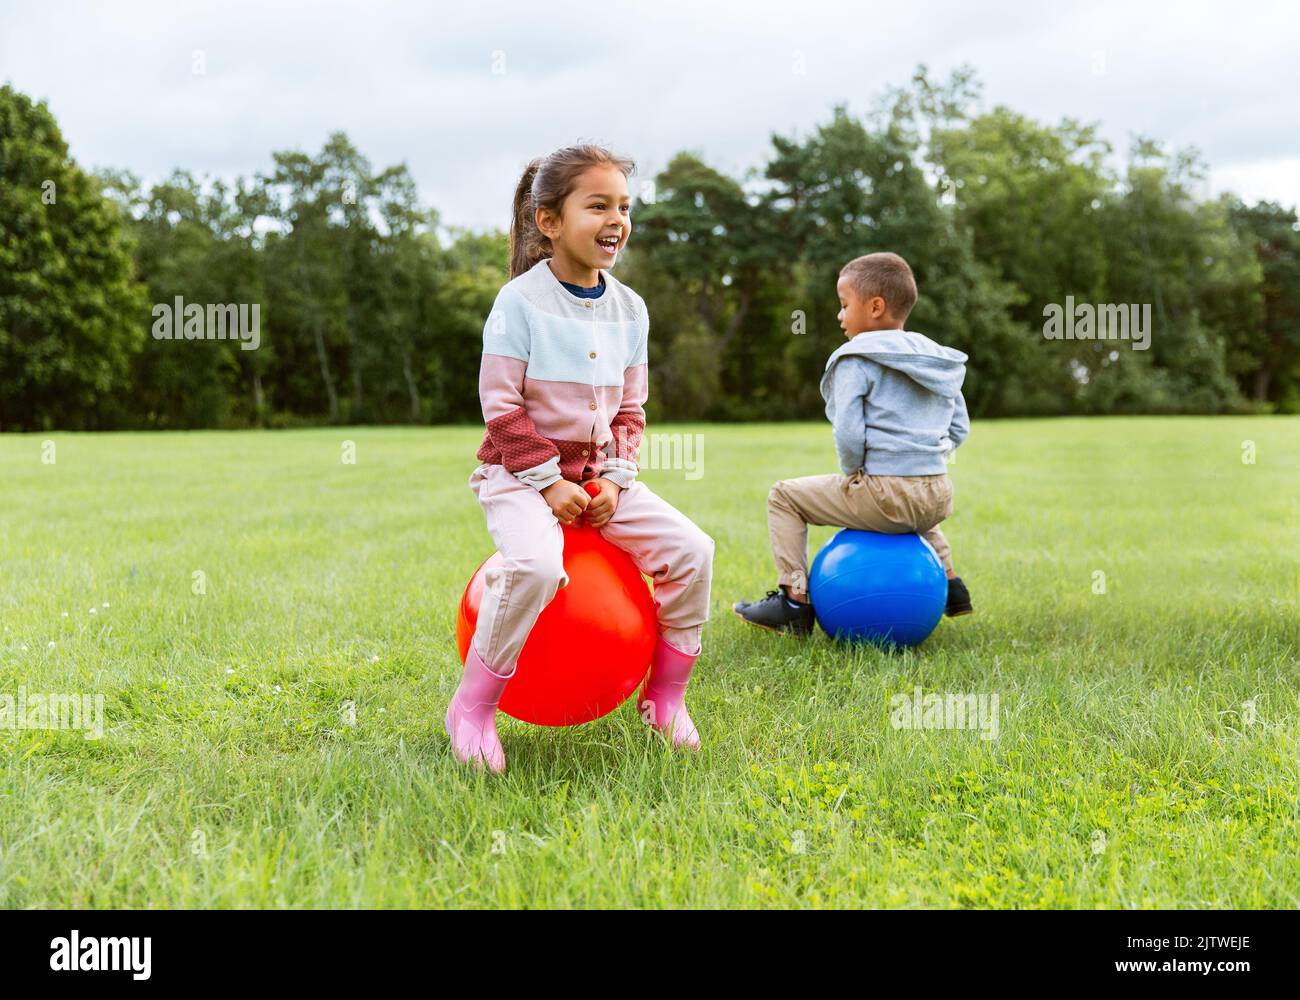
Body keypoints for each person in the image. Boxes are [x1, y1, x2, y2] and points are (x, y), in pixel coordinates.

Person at [445, 144, 715, 772]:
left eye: (623, 206)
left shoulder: (630, 309)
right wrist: (545, 484)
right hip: (517, 474)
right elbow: (500, 406)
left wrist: (617, 481)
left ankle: (666, 696)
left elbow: (630, 412)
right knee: (538, 566)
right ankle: (474, 707)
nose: (616, 218)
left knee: (693, 551)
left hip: (600, 480)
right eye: (598, 205)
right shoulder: (519, 302)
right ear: (550, 222)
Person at [733, 251, 972, 635]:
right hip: (938, 492)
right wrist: (923, 457)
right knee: (912, 508)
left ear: (875, 307)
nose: (840, 316)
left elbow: (847, 431)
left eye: (844, 305)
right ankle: (952, 584)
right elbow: (959, 426)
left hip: (886, 494)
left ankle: (793, 601)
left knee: (784, 496)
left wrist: (854, 474)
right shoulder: (933, 359)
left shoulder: (856, 358)